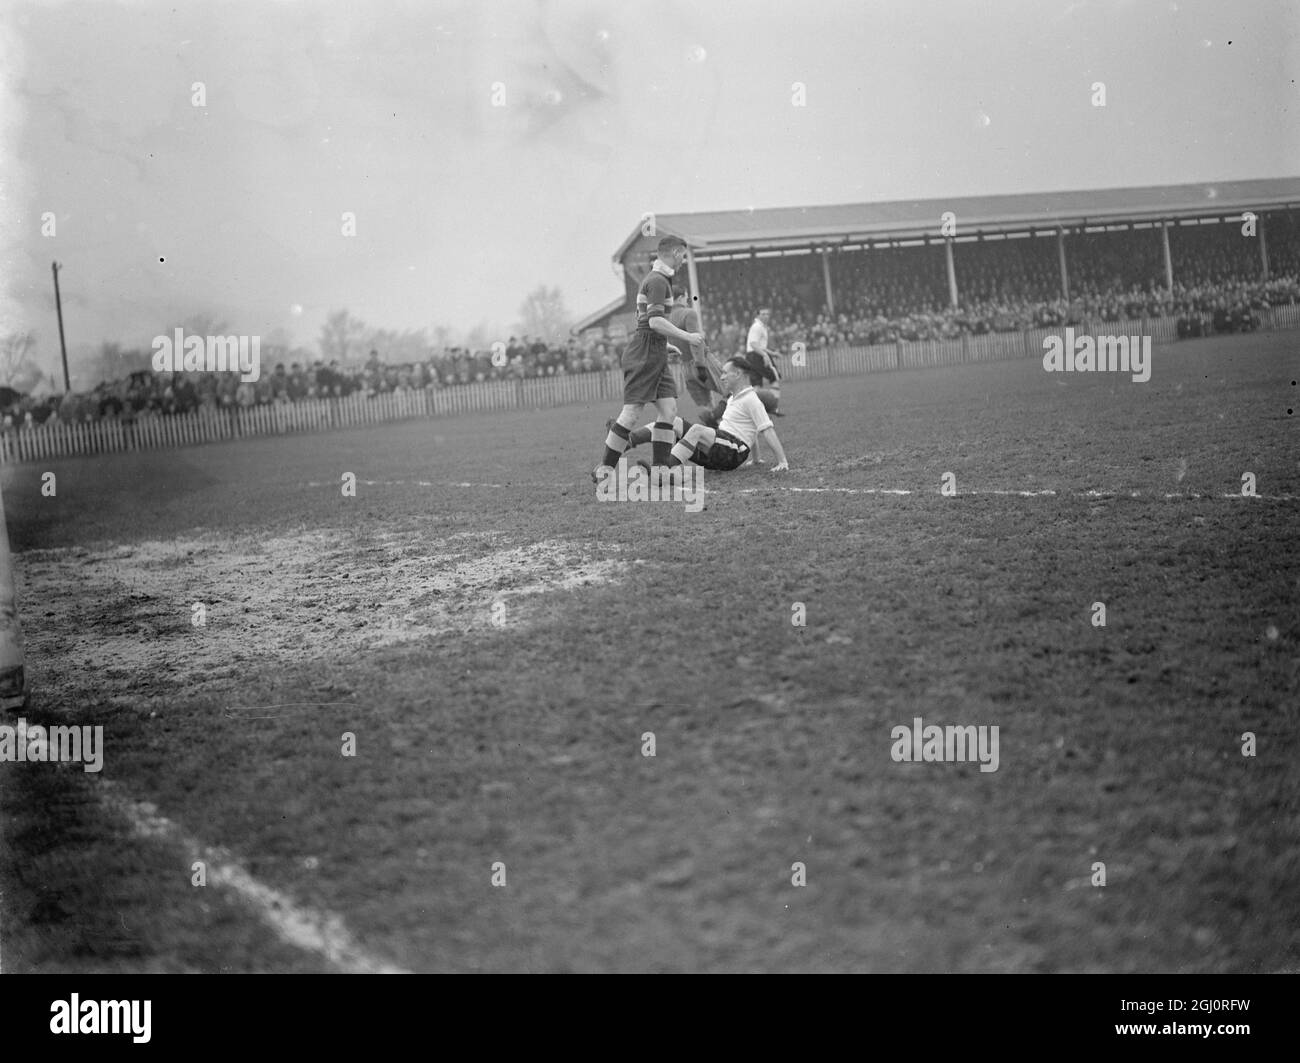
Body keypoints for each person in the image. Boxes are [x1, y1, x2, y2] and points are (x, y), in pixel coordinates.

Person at [592, 235, 703, 480]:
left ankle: (660, 471)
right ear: (674, 253)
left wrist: (663, 347)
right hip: (643, 354)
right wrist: (686, 336)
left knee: (669, 409)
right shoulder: (658, 281)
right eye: (683, 255)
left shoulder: (659, 279)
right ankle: (604, 469)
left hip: (653, 351)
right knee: (631, 413)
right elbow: (653, 321)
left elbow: (645, 321)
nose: (684, 260)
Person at [620, 357, 789, 473]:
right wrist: (757, 459)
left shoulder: (751, 400)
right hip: (723, 448)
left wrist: (782, 461)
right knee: (673, 422)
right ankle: (629, 440)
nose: (721, 377)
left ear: (738, 374)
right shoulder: (733, 398)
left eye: (725, 373)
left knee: (697, 431)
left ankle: (663, 471)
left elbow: (767, 429)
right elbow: (751, 430)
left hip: (732, 453)